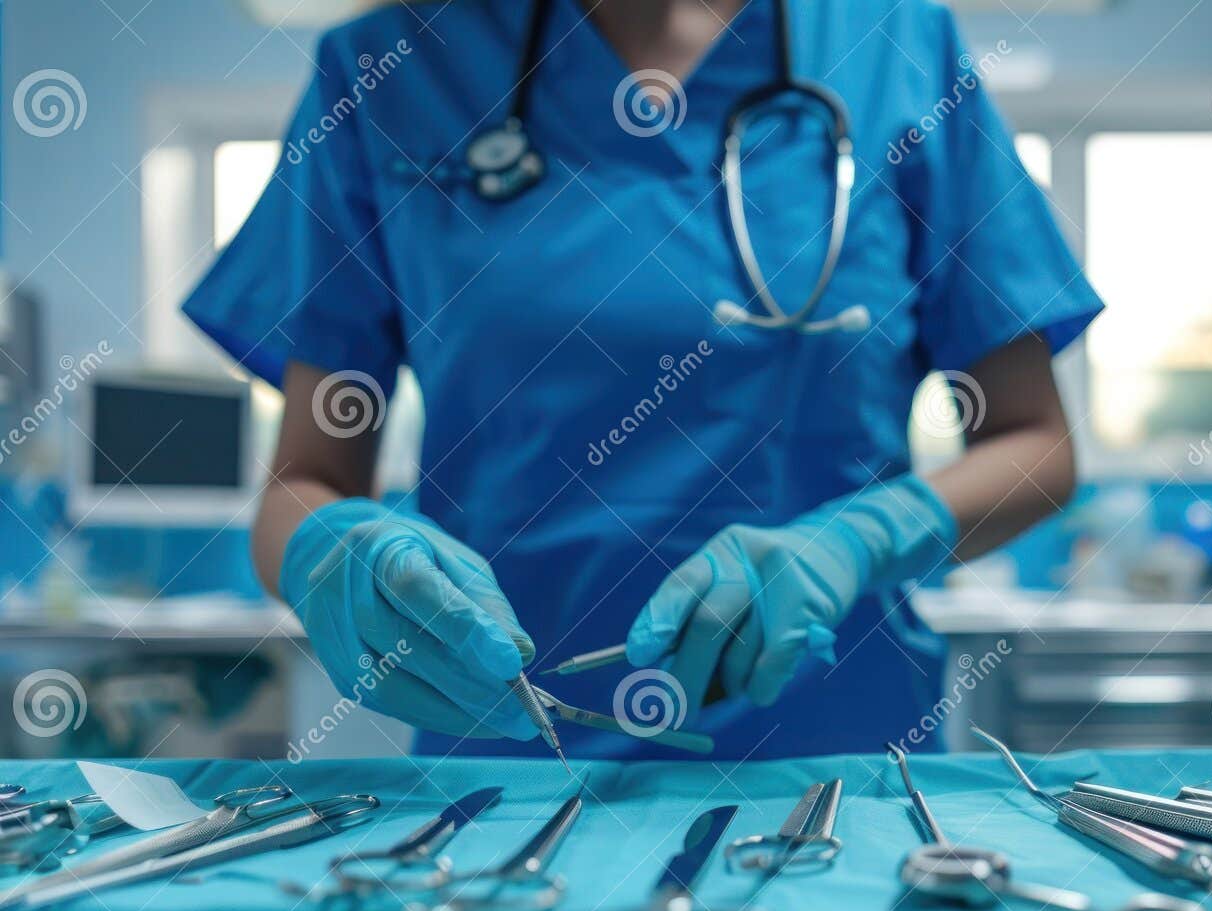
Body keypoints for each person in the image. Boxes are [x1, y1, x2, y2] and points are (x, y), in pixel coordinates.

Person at [183, 0, 1102, 760]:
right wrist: (331, 553)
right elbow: (305, 482)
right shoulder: (393, 72)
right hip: (510, 779)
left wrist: (862, 539)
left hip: (837, 767)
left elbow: (1035, 444)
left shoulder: (896, 46)